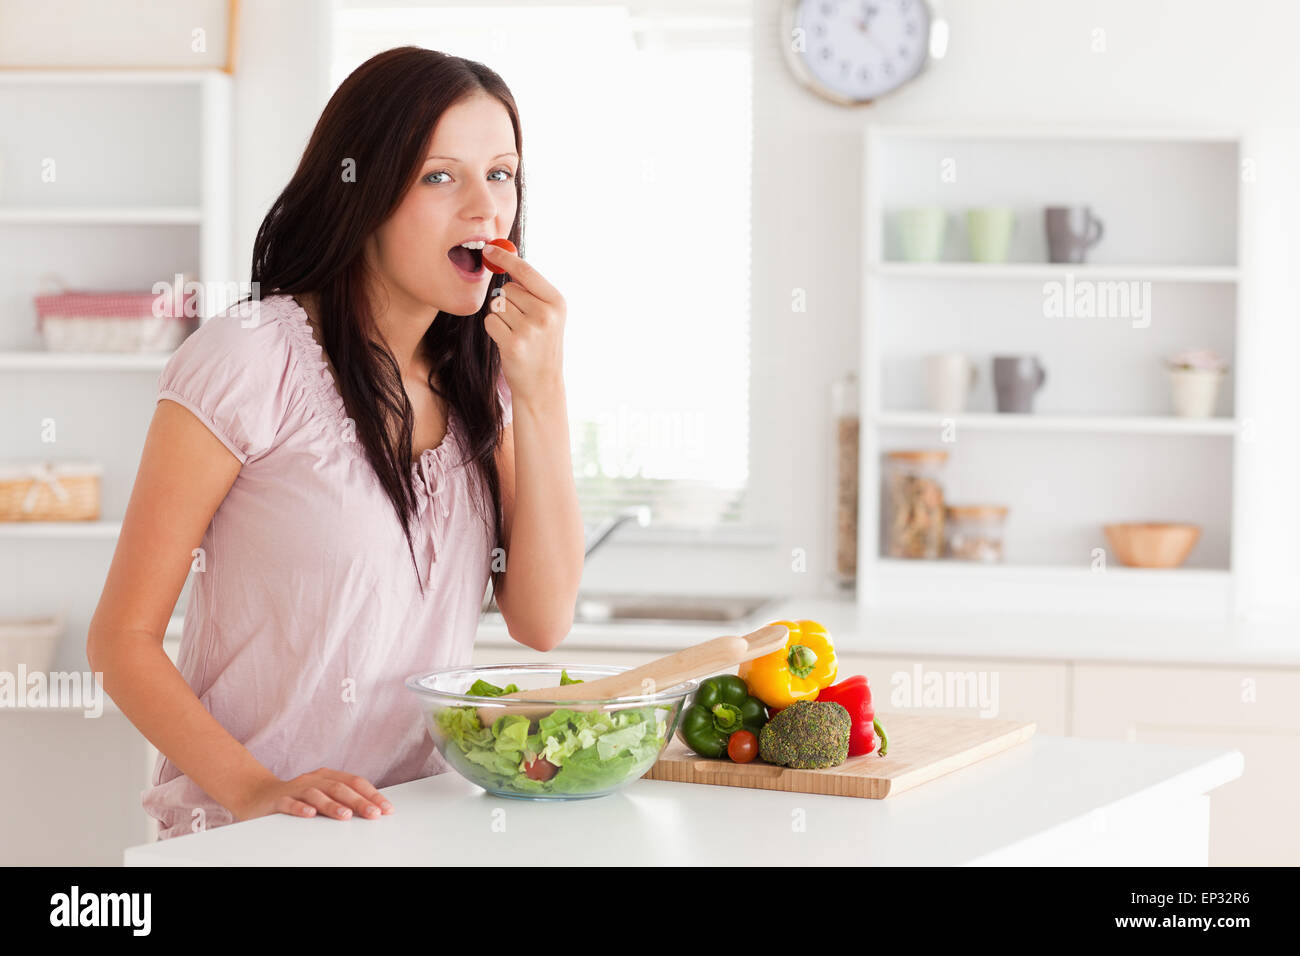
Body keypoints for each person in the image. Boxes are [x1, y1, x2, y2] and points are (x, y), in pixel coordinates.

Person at [86, 47, 584, 840]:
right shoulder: (252, 355)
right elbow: (120, 640)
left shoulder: (478, 382)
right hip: (251, 840)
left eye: (502, 174)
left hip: (412, 829)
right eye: (438, 176)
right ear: (365, 193)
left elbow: (543, 619)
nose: (487, 209)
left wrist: (542, 390)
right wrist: (256, 790)